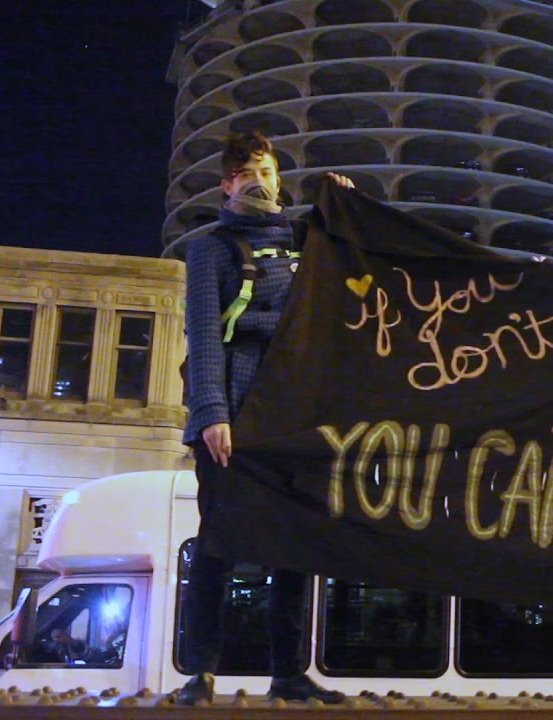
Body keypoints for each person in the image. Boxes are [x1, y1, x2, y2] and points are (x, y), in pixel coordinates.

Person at [177, 130, 354, 706]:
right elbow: (204, 333)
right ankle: (200, 672)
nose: (260, 181)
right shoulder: (211, 247)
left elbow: (354, 260)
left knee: (294, 543)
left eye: (269, 171)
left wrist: (342, 201)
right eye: (248, 172)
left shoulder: (306, 238)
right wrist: (211, 413)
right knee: (218, 541)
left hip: (294, 412)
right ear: (227, 182)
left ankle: (289, 671)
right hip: (235, 405)